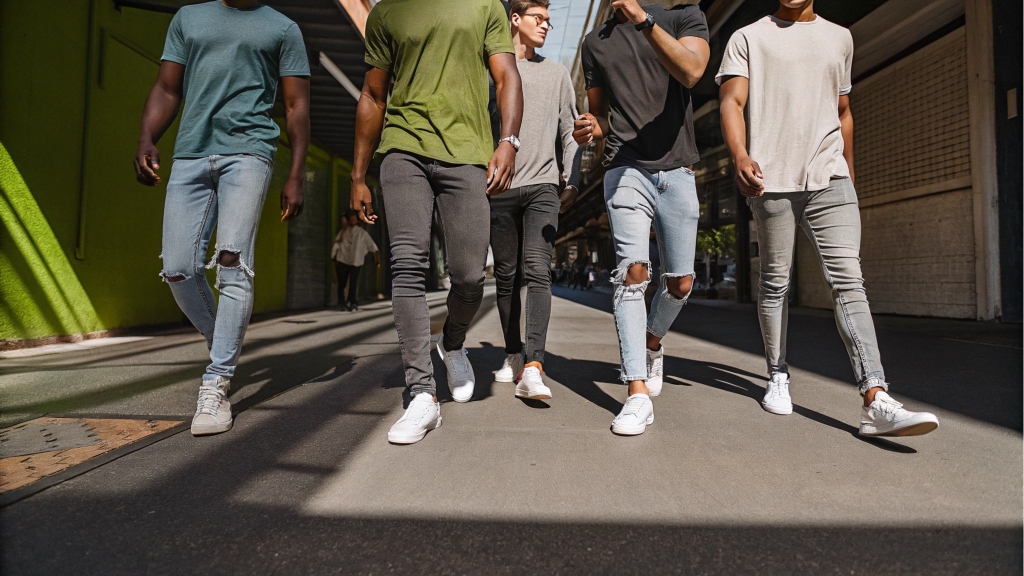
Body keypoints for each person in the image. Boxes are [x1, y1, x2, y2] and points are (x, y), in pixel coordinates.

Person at [717, 0, 939, 437]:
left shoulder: (840, 37)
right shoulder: (748, 37)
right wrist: (740, 155)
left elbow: (843, 113)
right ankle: (777, 374)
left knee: (848, 281)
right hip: (771, 179)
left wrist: (850, 177)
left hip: (830, 178)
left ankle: (874, 396)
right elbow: (731, 100)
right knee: (776, 282)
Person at [134, 0, 310, 437]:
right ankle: (223, 340)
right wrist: (146, 136)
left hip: (249, 153)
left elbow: (296, 106)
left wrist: (296, 175)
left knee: (232, 262)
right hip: (191, 152)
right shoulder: (189, 18)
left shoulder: (283, 29)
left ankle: (216, 382)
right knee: (178, 268)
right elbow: (167, 87)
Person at [351, 0, 523, 444]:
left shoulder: (486, 5)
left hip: (467, 154)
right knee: (406, 264)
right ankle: (421, 394)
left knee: (467, 276)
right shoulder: (387, 12)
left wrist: (508, 140)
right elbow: (373, 94)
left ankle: (453, 339)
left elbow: (506, 75)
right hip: (402, 148)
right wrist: (358, 174)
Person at [574, 0, 709, 436]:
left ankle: (653, 341)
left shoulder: (684, 15)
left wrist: (644, 21)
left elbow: (691, 71)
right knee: (632, 273)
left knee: (681, 284)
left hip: (677, 168)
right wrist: (588, 128)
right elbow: (602, 119)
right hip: (625, 168)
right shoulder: (595, 42)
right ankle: (635, 393)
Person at [490, 0, 582, 400]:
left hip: (544, 184)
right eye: (538, 18)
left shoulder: (558, 73)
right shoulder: (492, 68)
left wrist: (573, 180)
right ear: (515, 19)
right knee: (506, 276)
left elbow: (569, 130)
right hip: (500, 188)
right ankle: (513, 352)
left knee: (537, 271)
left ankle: (533, 364)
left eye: (548, 20)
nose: (545, 26)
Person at [332, 209, 380, 311]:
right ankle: (341, 301)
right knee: (342, 282)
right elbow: (337, 243)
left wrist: (377, 260)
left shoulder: (362, 233)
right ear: (348, 220)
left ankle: (352, 301)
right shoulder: (343, 231)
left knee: (353, 282)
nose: (353, 221)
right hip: (343, 260)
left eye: (355, 219)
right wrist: (334, 255)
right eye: (351, 219)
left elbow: (373, 247)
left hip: (356, 261)